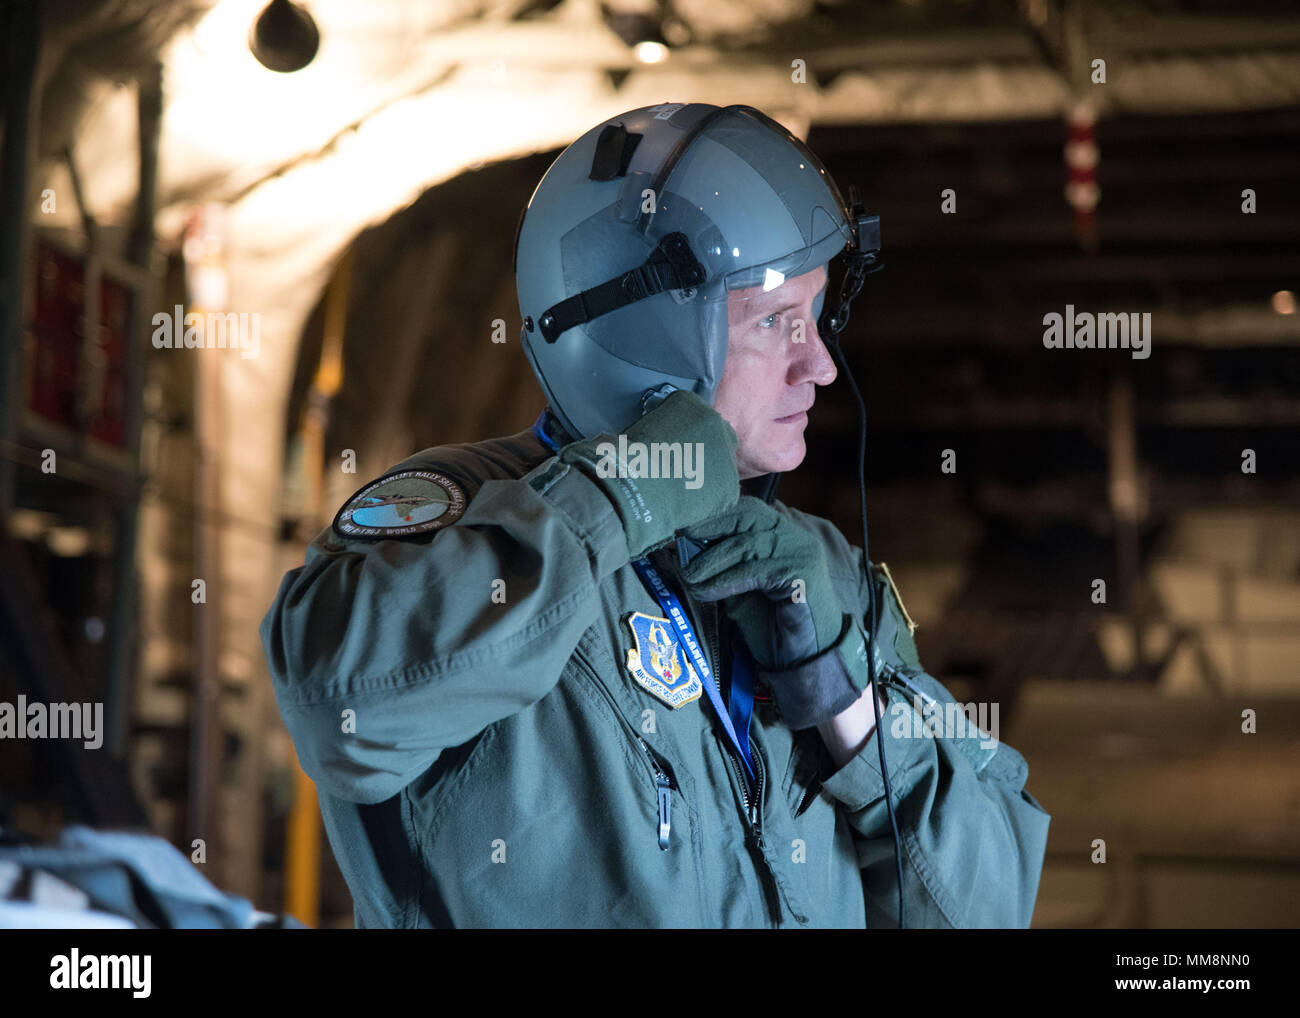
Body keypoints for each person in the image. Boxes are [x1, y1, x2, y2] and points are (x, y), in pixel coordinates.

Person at [259, 102, 1051, 928]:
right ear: (648, 333)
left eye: (817, 318)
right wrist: (618, 494)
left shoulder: (821, 574)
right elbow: (341, 707)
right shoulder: (460, 516)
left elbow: (988, 907)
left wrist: (846, 698)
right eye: (776, 322)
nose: (818, 364)